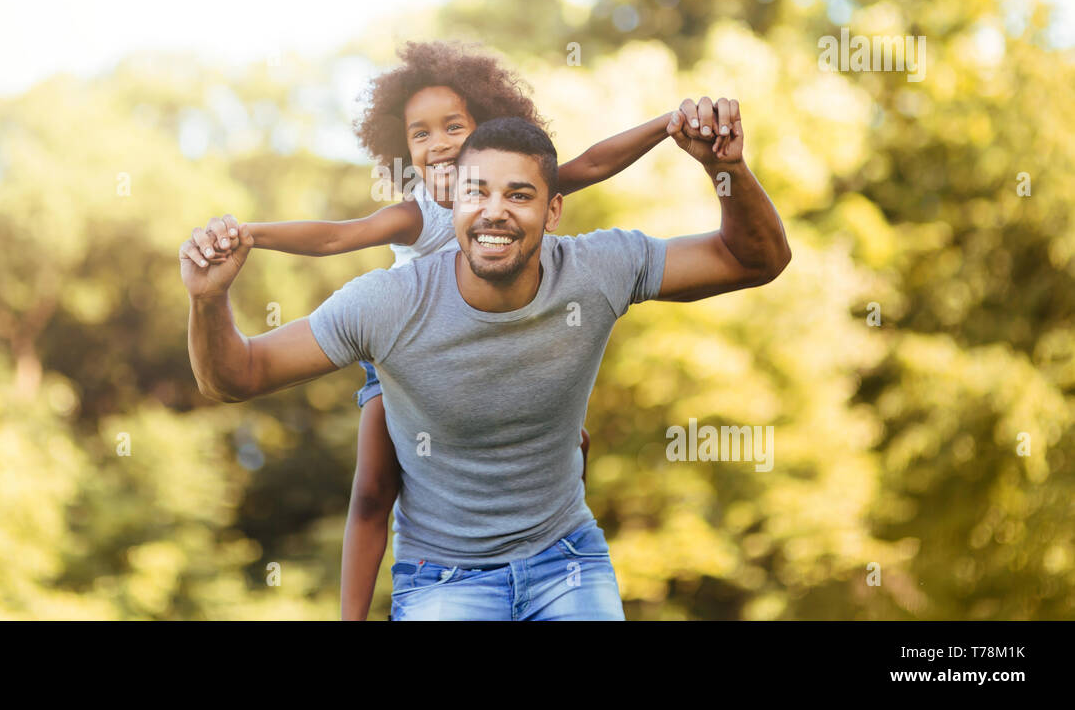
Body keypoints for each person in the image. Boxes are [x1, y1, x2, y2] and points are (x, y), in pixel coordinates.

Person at [181, 98, 790, 620]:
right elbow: (237, 377)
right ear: (453, 203)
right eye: (476, 192)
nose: (494, 210)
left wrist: (726, 169)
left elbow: (756, 260)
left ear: (553, 210)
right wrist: (209, 301)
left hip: (568, 562)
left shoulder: (598, 270)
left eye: (519, 195)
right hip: (443, 580)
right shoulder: (388, 304)